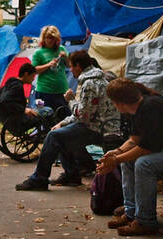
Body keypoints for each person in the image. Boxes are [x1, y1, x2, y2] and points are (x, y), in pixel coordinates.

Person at [94, 78, 163, 235]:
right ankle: (131, 212)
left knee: (144, 164)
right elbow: (134, 140)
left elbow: (147, 148)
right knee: (128, 162)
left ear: (120, 102)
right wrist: (117, 152)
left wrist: (116, 160)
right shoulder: (138, 108)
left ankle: (145, 221)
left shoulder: (151, 107)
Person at [16, 51, 119, 190]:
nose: (70, 70)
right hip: (97, 124)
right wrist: (62, 123)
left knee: (54, 136)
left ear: (78, 65)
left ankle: (39, 179)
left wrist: (70, 100)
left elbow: (83, 115)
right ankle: (71, 175)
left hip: (99, 129)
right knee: (60, 132)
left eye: (71, 66)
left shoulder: (90, 84)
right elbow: (84, 113)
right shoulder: (96, 79)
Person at [0, 63, 52, 137]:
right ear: (26, 74)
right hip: (20, 119)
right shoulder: (17, 86)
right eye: (33, 76)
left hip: (14, 116)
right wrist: (23, 109)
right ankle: (42, 134)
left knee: (40, 106)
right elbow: (5, 100)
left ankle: (41, 132)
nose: (33, 79)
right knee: (49, 110)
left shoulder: (10, 83)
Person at [30, 25, 72, 119]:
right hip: (42, 91)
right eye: (47, 37)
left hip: (62, 91)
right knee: (43, 116)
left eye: (52, 38)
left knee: (64, 117)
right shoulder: (38, 53)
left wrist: (65, 57)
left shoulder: (61, 49)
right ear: (43, 38)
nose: (50, 40)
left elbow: (70, 66)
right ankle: (43, 133)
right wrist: (48, 65)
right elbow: (33, 70)